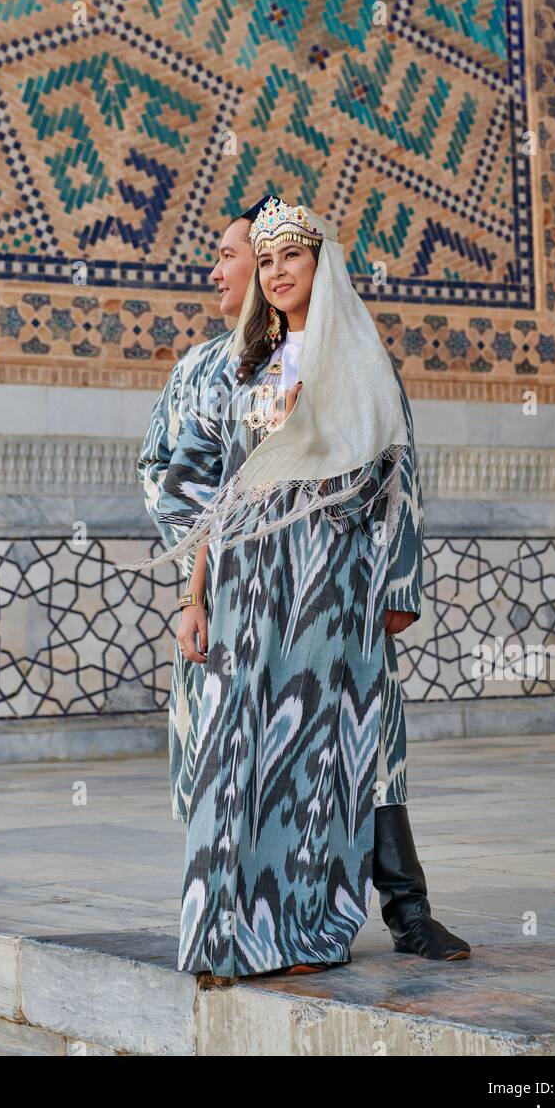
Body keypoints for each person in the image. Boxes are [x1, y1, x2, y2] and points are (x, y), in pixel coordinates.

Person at [133, 195, 469, 980]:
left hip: (332, 591)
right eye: (266, 257)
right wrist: (194, 593)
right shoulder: (228, 365)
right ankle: (231, 932)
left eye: (288, 256)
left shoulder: (355, 358)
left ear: (318, 263)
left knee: (329, 762)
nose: (265, 270)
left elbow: (395, 473)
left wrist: (395, 580)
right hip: (248, 591)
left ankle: (341, 922)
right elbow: (197, 480)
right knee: (236, 758)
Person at [137, 209, 256, 825]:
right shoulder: (196, 369)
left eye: (227, 255)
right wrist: (202, 574)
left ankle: (403, 905)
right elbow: (158, 466)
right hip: (217, 598)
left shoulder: (334, 357)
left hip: (313, 601)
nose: (214, 272)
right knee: (217, 763)